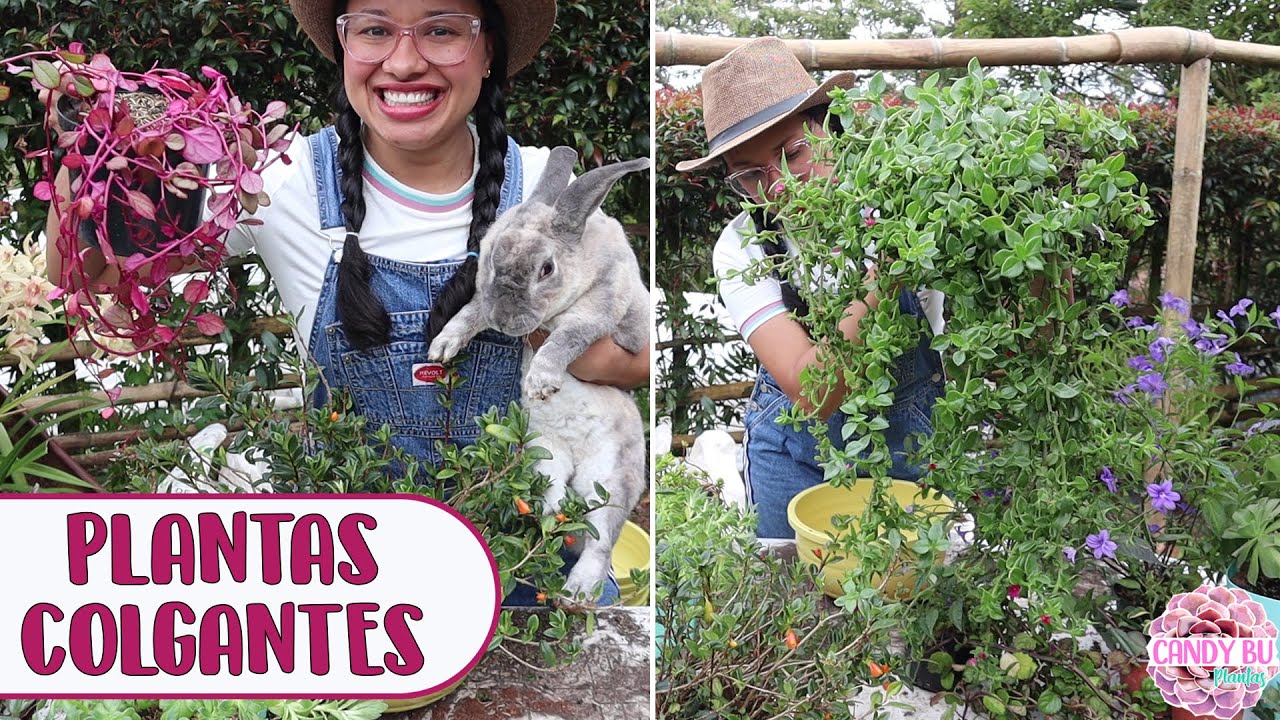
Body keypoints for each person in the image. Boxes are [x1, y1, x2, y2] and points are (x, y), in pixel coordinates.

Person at [45, 0, 649, 602]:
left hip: (533, 571)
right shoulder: (283, 182)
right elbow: (90, 273)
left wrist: (543, 329)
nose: (405, 61)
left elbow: (638, 354)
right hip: (358, 593)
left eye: (441, 31)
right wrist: (92, 147)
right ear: (343, 47)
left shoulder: (543, 192)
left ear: (489, 51)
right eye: (374, 30)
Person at [675, 37, 945, 539]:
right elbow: (815, 393)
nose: (779, 185)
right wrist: (889, 267)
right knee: (793, 601)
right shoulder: (742, 247)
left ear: (830, 130)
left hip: (913, 445)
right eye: (750, 174)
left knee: (910, 595)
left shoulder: (907, 201)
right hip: (794, 452)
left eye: (792, 153)